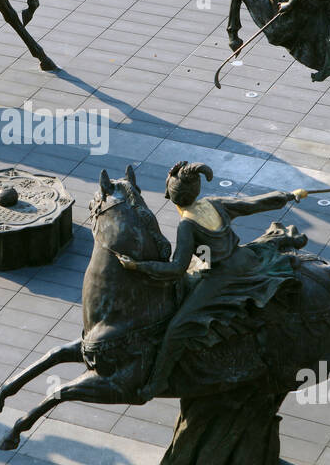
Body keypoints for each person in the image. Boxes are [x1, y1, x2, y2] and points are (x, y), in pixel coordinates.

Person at [115, 162, 308, 400]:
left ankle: (156, 382)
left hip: (223, 275)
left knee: (177, 329)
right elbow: (254, 204)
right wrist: (287, 196)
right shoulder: (214, 203)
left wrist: (138, 266)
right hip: (244, 257)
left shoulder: (187, 225)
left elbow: (176, 268)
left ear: (172, 196)